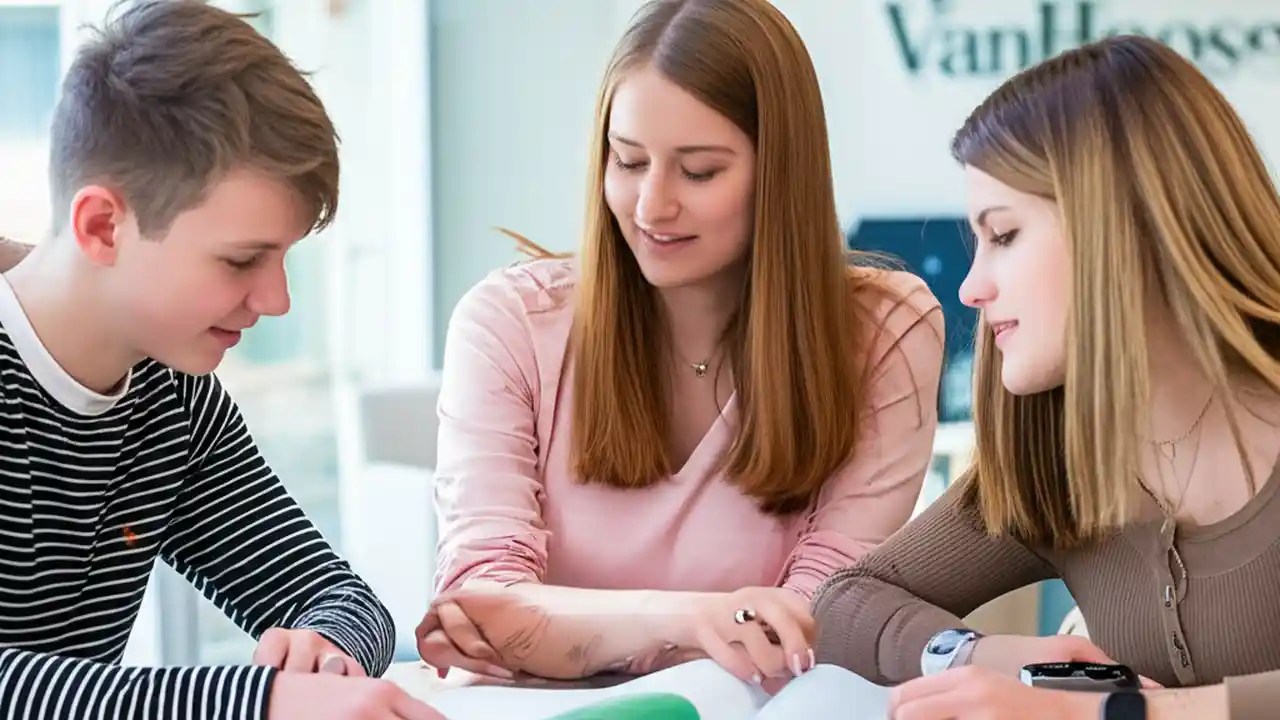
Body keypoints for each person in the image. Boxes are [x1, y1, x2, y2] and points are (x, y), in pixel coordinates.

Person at [415, 0, 944, 688]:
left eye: (698, 172)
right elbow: (481, 608)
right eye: (628, 161)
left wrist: (582, 629)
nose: (650, 206)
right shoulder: (508, 322)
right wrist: (690, 620)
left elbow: (823, 617)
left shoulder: (886, 331)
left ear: (780, 175)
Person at [806, 35, 1280, 720]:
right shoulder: (1058, 461)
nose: (970, 288)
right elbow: (846, 602)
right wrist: (987, 658)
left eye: (1003, 236)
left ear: (1121, 227)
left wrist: (1112, 713)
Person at [0, 3, 440, 719]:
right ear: (102, 226)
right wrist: (259, 700)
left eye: (283, 257)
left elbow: (340, 597)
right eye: (243, 260)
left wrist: (326, 650)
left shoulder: (174, 400)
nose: (276, 300)